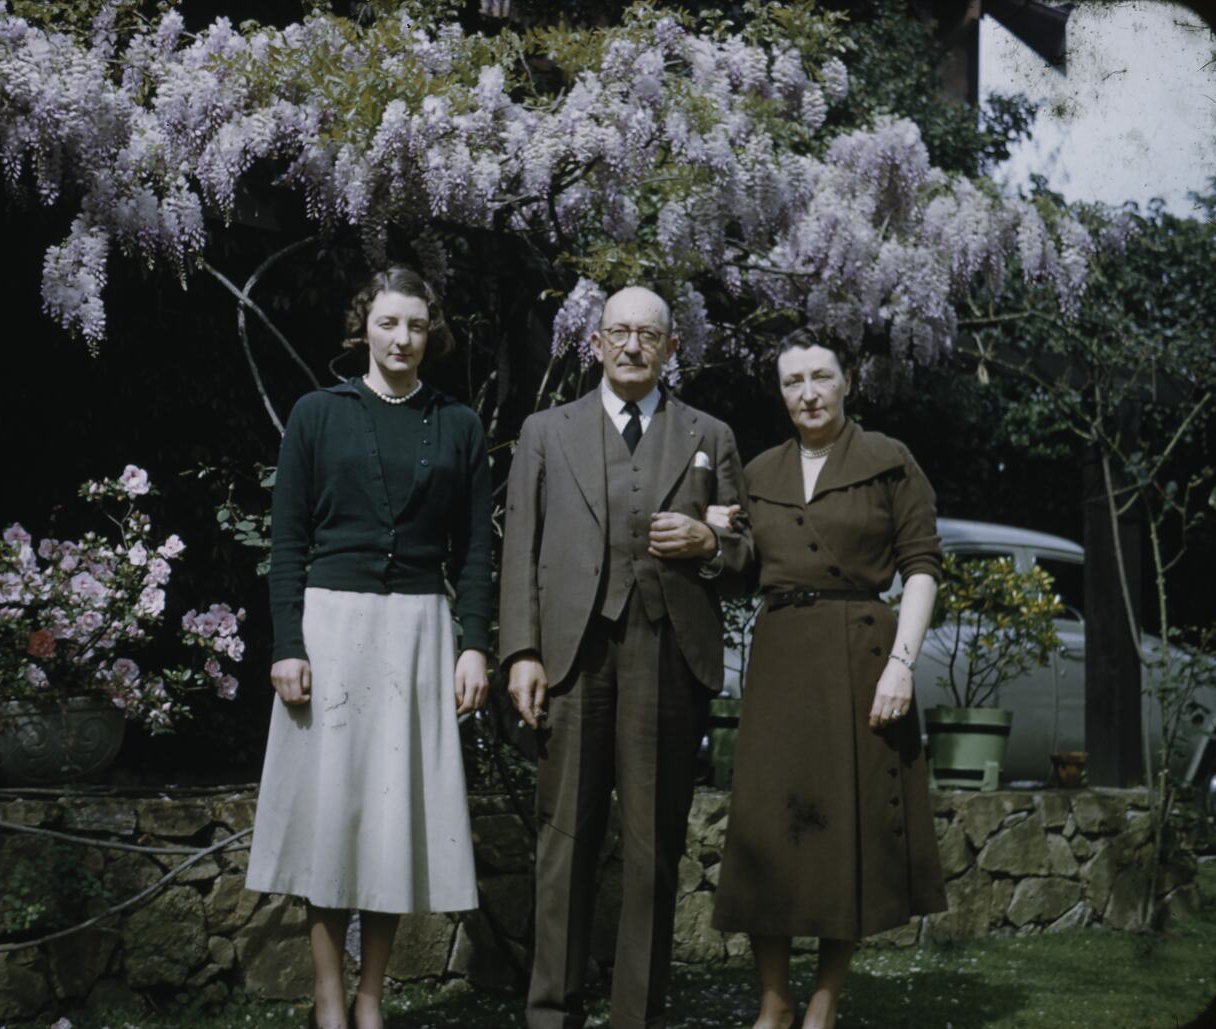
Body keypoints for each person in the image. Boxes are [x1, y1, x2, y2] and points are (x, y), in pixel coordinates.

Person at [500, 285, 754, 1029]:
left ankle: (636, 1017)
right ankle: (552, 1013)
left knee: (652, 848)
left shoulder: (712, 433)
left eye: (649, 334)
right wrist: (521, 650)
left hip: (668, 655)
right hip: (572, 657)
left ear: (673, 347)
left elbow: (744, 553)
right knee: (564, 841)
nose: (633, 345)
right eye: (619, 332)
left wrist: (711, 543)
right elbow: (520, 550)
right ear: (596, 342)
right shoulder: (546, 432)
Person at [245, 266, 493, 1029]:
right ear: (365, 328)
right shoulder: (319, 414)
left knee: (390, 816)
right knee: (332, 815)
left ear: (432, 335)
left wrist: (473, 644)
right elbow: (288, 541)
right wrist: (288, 643)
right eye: (389, 323)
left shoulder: (458, 423)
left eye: (416, 326)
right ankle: (326, 995)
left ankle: (370, 996)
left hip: (417, 629)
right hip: (332, 627)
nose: (402, 339)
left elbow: (476, 550)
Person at [710, 338, 948, 1029]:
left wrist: (901, 664)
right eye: (792, 381)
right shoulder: (758, 471)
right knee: (767, 826)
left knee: (847, 830)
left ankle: (821, 1006)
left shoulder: (889, 460)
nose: (808, 392)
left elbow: (922, 566)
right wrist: (715, 534)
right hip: (781, 657)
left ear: (847, 383)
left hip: (863, 658)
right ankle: (774, 1001)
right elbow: (741, 569)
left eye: (821, 377)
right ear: (780, 392)